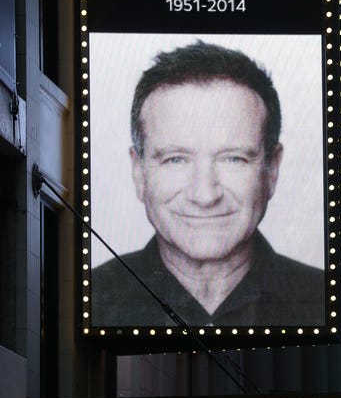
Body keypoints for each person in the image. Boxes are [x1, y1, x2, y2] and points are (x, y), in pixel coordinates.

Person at [91, 39, 325, 327]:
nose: (205, 195)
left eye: (234, 159)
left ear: (272, 170)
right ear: (139, 172)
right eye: (176, 159)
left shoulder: (322, 301)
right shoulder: (94, 298)